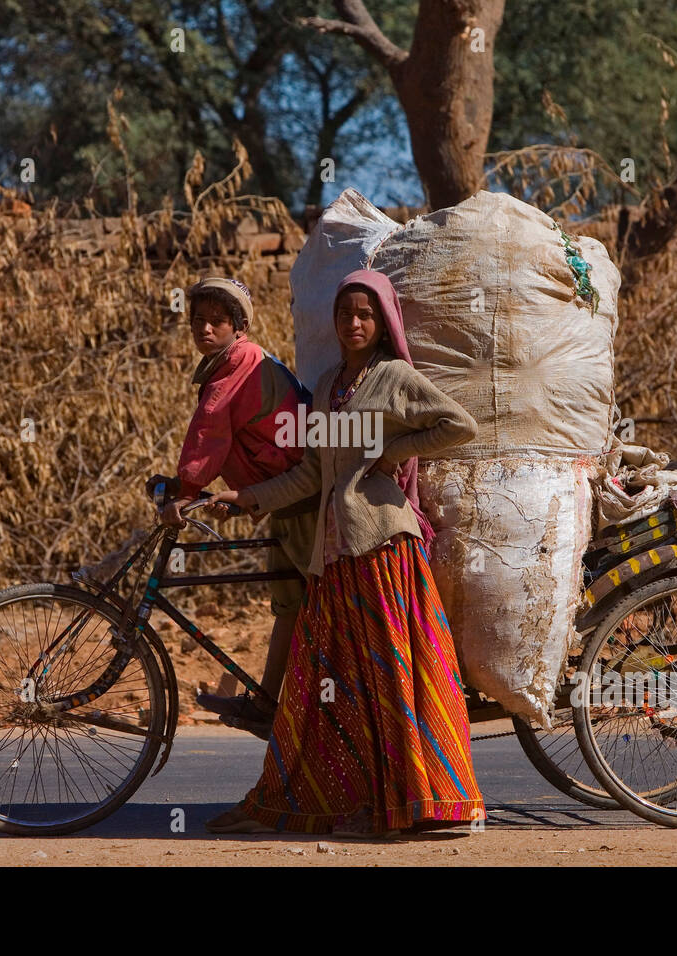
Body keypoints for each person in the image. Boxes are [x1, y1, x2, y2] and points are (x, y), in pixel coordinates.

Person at [203, 269, 485, 837]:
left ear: (382, 323)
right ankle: (295, 800)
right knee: (319, 688)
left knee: (389, 685)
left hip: (382, 552)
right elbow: (312, 473)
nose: (352, 323)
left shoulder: (396, 377)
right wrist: (248, 498)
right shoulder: (329, 383)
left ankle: (402, 807)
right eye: (343, 314)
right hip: (332, 560)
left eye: (364, 314)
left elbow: (461, 425)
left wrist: (394, 451)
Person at [166, 276, 318, 737]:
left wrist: (185, 491)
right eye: (198, 322)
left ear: (239, 327)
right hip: (285, 498)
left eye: (216, 322)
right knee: (290, 605)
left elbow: (210, 432)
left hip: (302, 494)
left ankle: (318, 706)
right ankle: (271, 703)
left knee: (318, 602)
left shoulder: (240, 362)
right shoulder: (229, 363)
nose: (205, 330)